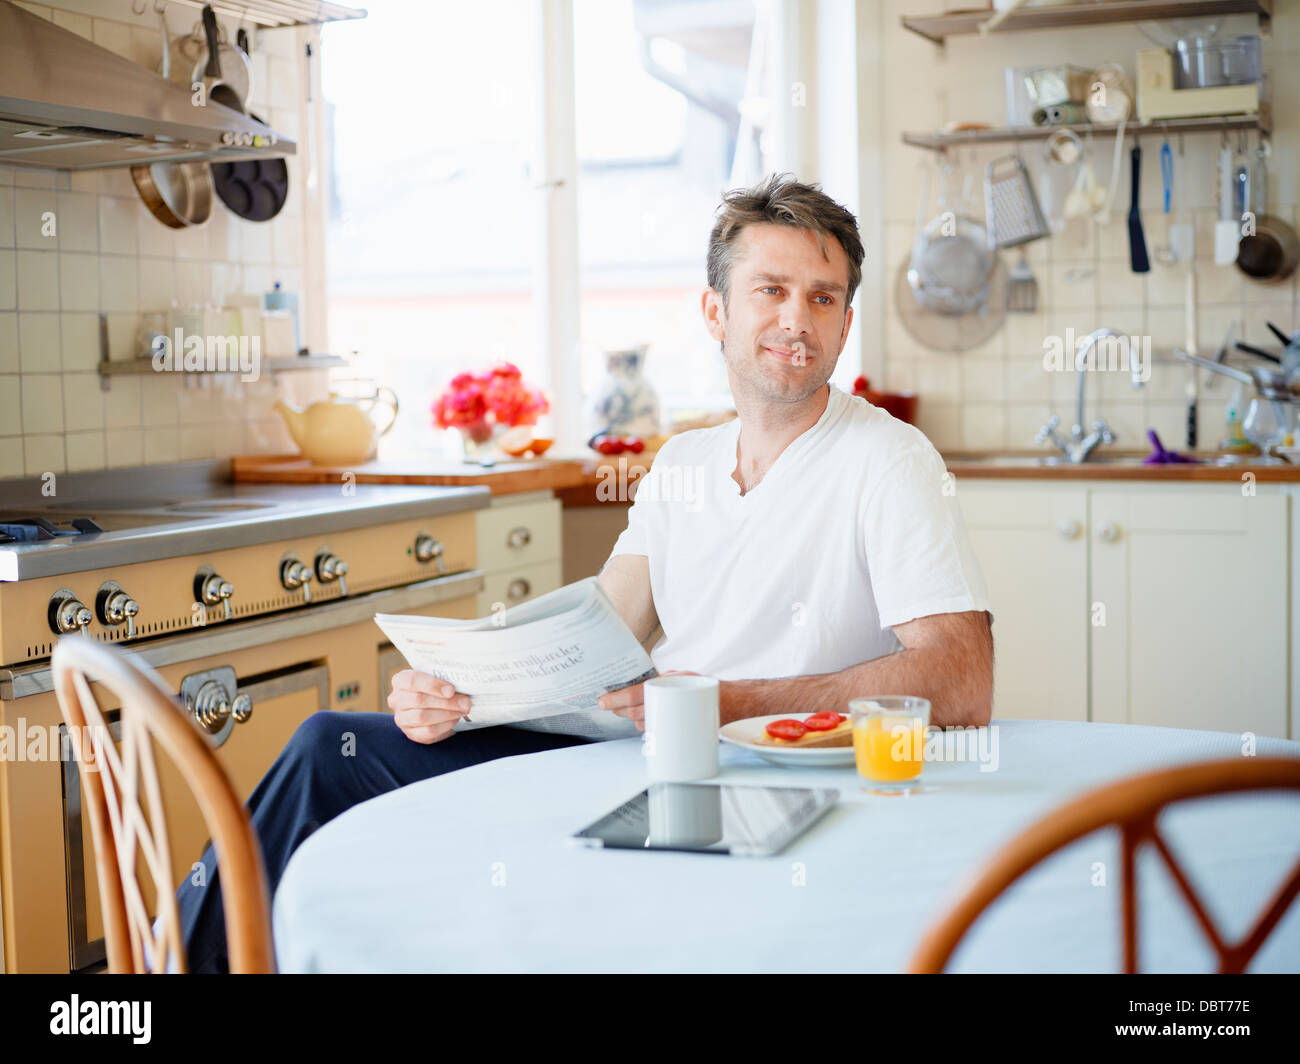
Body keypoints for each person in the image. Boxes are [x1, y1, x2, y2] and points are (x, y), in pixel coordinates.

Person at [176, 173, 993, 972]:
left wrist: (736, 703)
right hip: (640, 758)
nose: (796, 319)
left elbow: (959, 679)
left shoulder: (889, 460)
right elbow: (601, 633)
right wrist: (459, 694)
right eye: (770, 290)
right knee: (331, 746)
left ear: (846, 323)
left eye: (822, 297)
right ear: (715, 311)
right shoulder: (682, 463)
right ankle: (172, 967)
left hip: (757, 786)